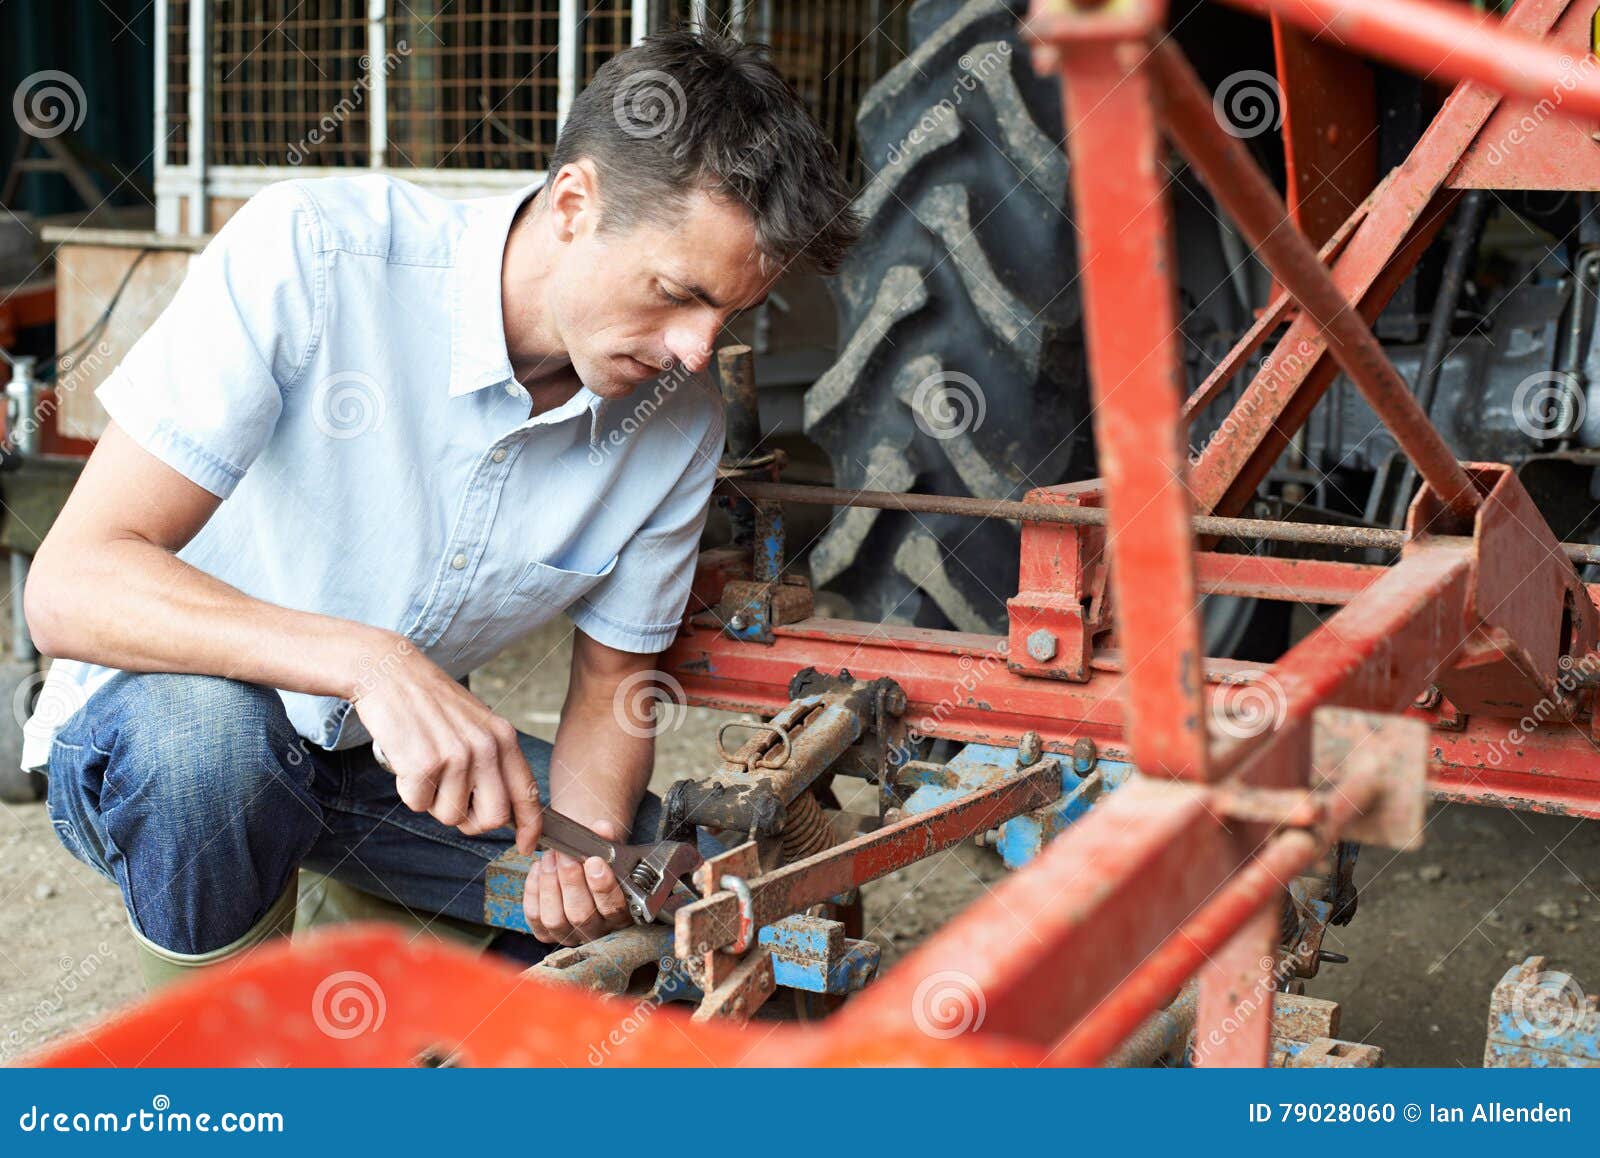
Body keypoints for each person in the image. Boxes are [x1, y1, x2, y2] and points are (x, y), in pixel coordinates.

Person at [22, 27, 858, 986]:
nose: (699, 349)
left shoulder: (676, 422)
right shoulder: (315, 256)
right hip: (157, 738)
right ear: (576, 203)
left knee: (671, 886)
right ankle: (220, 1079)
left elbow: (607, 689)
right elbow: (73, 585)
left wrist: (578, 856)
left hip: (376, 771)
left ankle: (381, 971)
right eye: (678, 294)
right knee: (210, 750)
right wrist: (371, 664)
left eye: (731, 315)